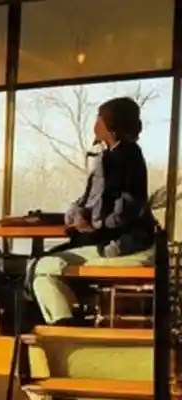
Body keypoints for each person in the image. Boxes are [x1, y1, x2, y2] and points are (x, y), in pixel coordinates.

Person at [30, 97, 159, 326]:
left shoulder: (120, 158)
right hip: (126, 243)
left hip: (125, 248)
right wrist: (80, 215)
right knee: (45, 265)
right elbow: (93, 201)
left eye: (99, 116)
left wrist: (92, 224)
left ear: (110, 123)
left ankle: (66, 329)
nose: (95, 122)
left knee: (42, 268)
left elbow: (122, 211)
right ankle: (71, 322)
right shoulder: (119, 155)